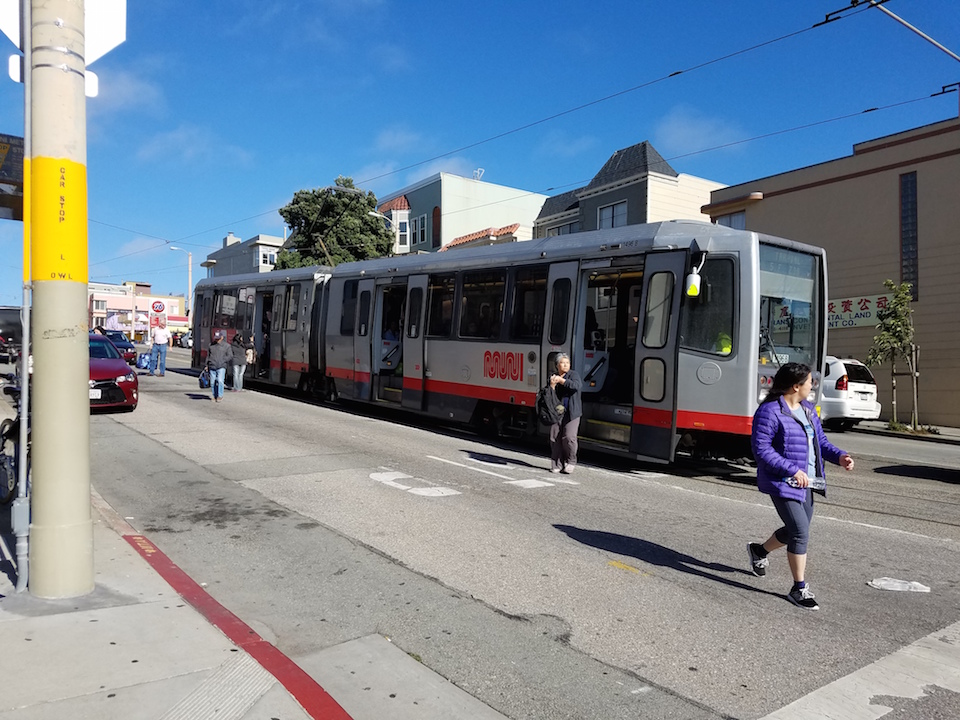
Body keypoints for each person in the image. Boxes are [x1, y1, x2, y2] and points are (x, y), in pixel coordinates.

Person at [747, 362, 855, 611]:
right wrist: (791, 469)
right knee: (800, 532)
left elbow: (821, 442)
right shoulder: (769, 411)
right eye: (809, 382)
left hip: (808, 481)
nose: (812, 386)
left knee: (796, 530)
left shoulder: (808, 410)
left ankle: (759, 551)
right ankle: (799, 588)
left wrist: (840, 456)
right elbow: (761, 450)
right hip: (782, 481)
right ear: (796, 386)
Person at [548, 353, 582, 474]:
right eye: (562, 363)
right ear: (557, 365)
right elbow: (549, 396)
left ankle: (571, 461)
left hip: (572, 412)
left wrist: (562, 381)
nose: (565, 365)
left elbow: (576, 386)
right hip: (557, 412)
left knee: (569, 437)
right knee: (555, 437)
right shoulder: (553, 376)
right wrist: (552, 386)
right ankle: (556, 464)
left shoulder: (574, 375)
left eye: (567, 363)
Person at [207, 329, 232, 403]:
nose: (217, 340)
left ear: (222, 337)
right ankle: (214, 395)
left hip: (221, 366)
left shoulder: (227, 346)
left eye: (218, 338)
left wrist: (223, 360)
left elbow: (230, 355)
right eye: (216, 338)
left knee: (220, 381)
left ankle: (220, 396)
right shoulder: (211, 345)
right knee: (212, 382)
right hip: (212, 365)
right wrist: (207, 365)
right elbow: (208, 356)